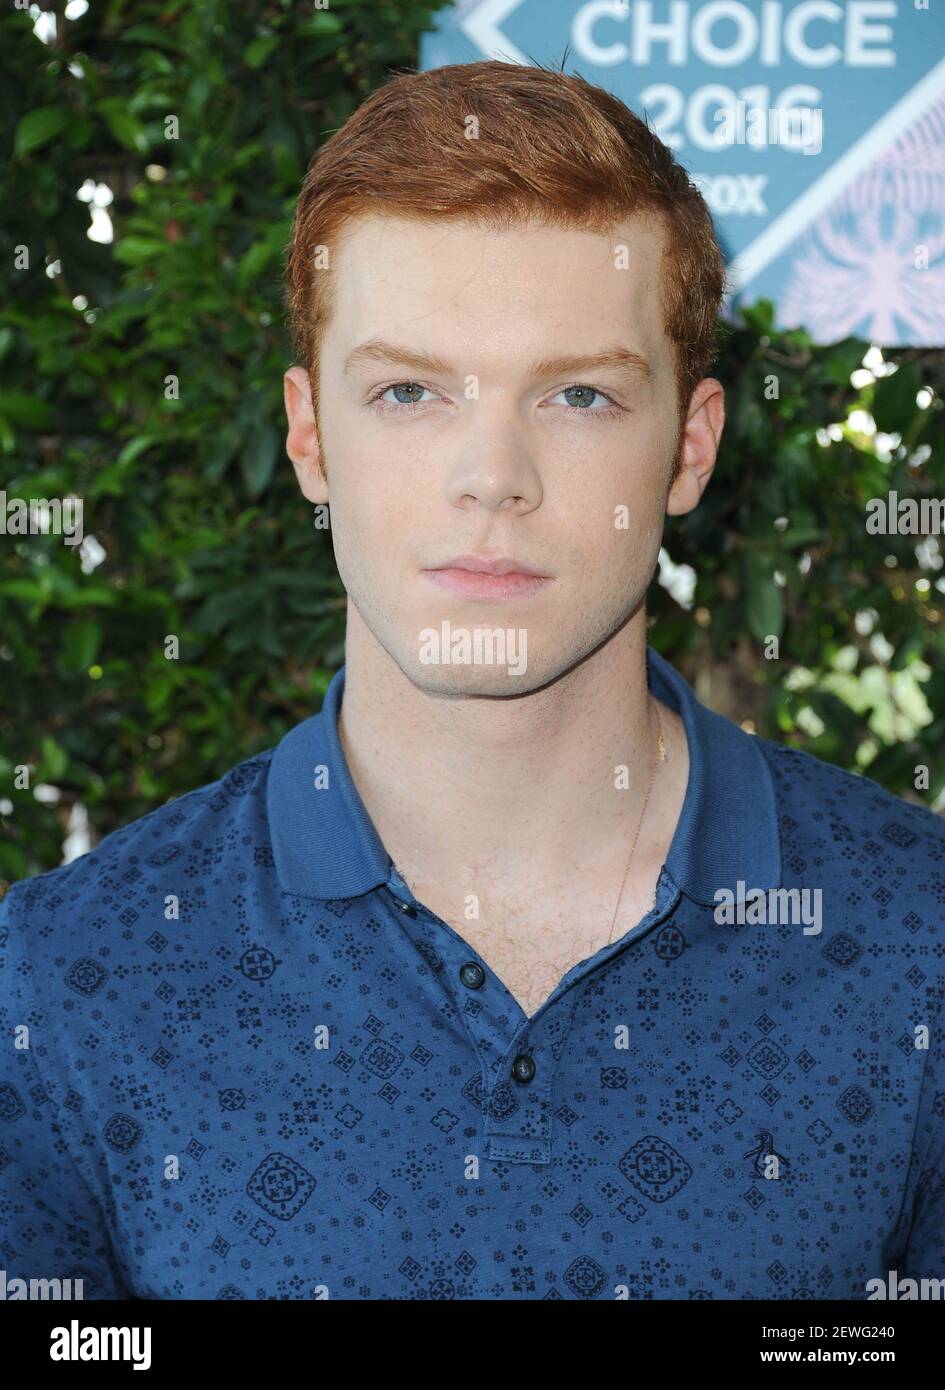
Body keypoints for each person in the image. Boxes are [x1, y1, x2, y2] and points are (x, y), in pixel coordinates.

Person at [2, 60, 942, 1303]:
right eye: (409, 391)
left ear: (691, 446)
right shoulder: (63, 981)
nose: (491, 476)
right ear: (309, 437)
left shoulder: (919, 940)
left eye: (578, 394)